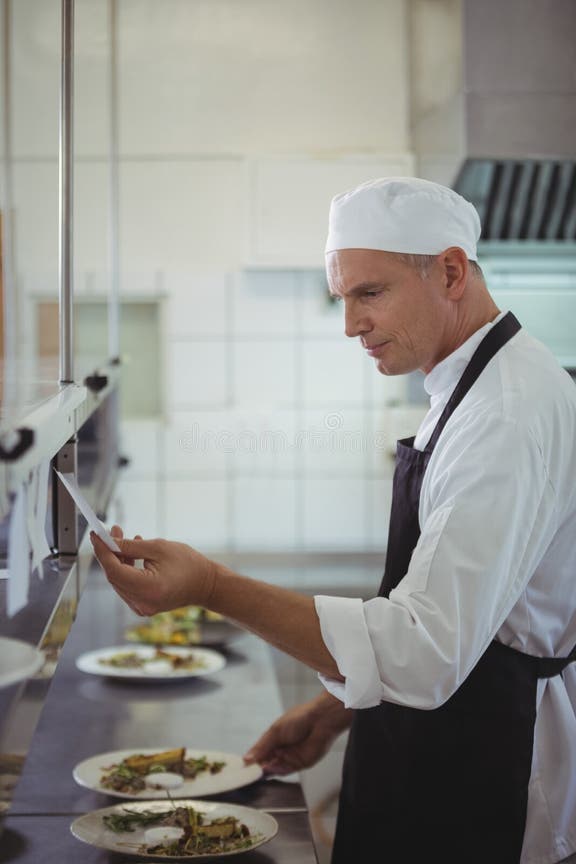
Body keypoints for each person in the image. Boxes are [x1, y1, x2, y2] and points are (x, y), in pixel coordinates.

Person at [92, 177, 576, 864]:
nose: (351, 324)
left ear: (450, 271)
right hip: (446, 741)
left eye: (368, 293)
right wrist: (340, 705)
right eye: (342, 299)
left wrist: (212, 587)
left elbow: (426, 647)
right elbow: (470, 611)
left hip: (486, 774)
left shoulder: (506, 413)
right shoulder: (465, 385)